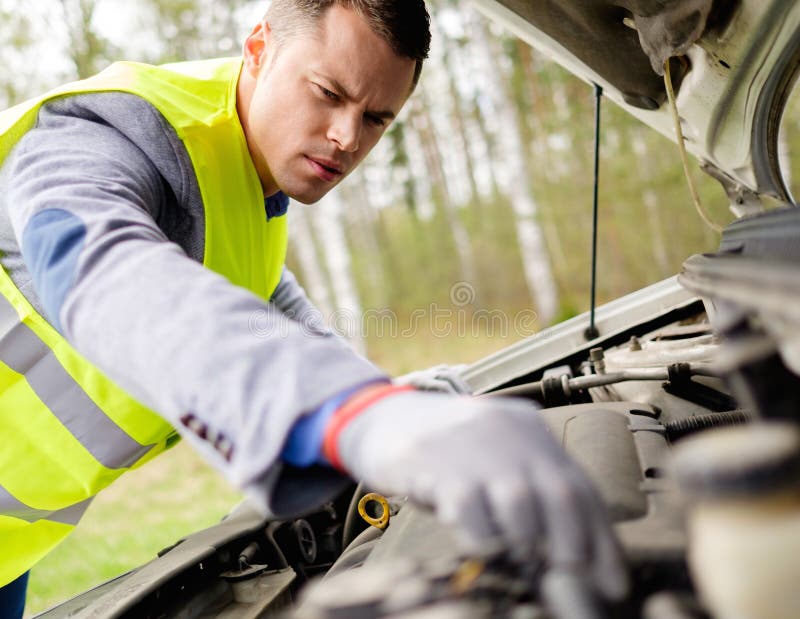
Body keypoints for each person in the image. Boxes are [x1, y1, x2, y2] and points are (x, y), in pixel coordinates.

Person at [0, 1, 626, 616]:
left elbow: (267, 318)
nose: (346, 137)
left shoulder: (248, 196)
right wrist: (355, 413)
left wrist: (391, 399)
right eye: (328, 92)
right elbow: (103, 270)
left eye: (377, 118)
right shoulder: (110, 134)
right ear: (258, 46)